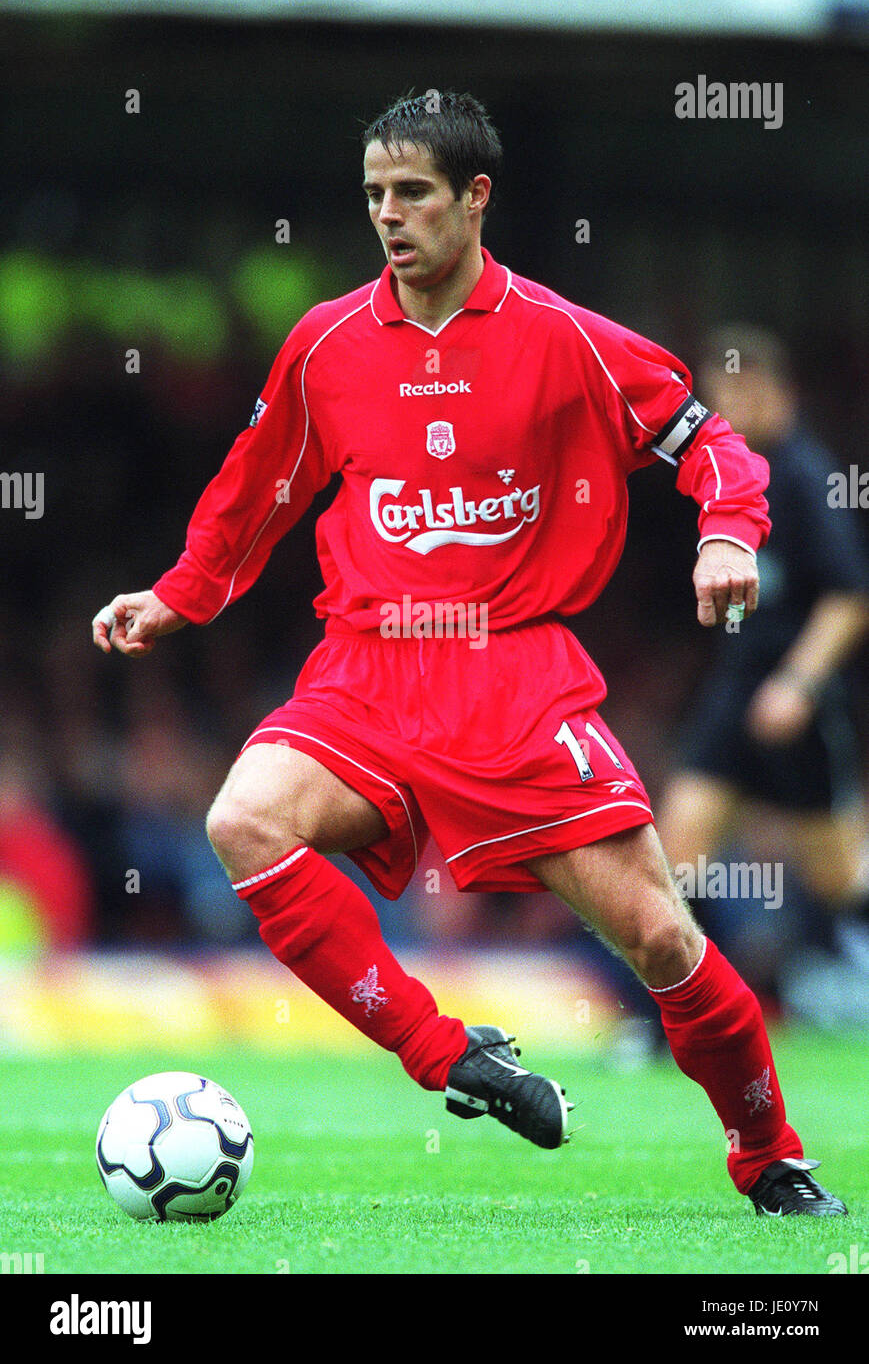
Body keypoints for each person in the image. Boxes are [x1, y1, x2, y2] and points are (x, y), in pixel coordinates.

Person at [92, 93, 845, 1216]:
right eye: (373, 198)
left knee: (658, 934)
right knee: (244, 820)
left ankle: (770, 1157)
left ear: (474, 199)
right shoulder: (327, 344)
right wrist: (179, 595)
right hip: (367, 667)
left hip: (512, 675)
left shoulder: (565, 337)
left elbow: (712, 443)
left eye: (412, 195)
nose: (388, 218)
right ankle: (450, 1056)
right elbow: (256, 490)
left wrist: (727, 533)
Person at [655, 325, 869, 994]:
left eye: (742, 390)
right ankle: (681, 1019)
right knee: (675, 856)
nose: (729, 407)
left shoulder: (807, 475)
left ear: (780, 392)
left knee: (836, 878)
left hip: (797, 698)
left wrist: (799, 684)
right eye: (719, 394)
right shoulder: (729, 479)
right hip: (735, 689)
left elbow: (849, 598)